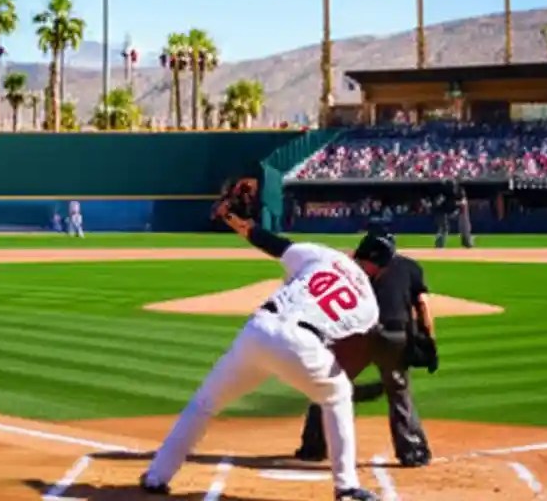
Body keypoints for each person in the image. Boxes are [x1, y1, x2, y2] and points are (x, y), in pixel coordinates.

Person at [140, 179, 382, 501]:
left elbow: (274, 243)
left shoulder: (327, 255)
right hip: (304, 343)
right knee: (337, 395)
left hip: (259, 329)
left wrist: (237, 222)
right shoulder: (369, 302)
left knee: (204, 402)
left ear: (355, 251)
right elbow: (349, 344)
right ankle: (347, 487)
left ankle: (157, 476)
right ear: (378, 269)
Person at [293, 230, 437, 468]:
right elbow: (422, 305)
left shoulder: (350, 268)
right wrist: (429, 340)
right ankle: (412, 451)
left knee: (327, 384)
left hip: (359, 334)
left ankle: (313, 446)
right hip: (394, 336)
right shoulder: (411, 267)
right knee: (399, 393)